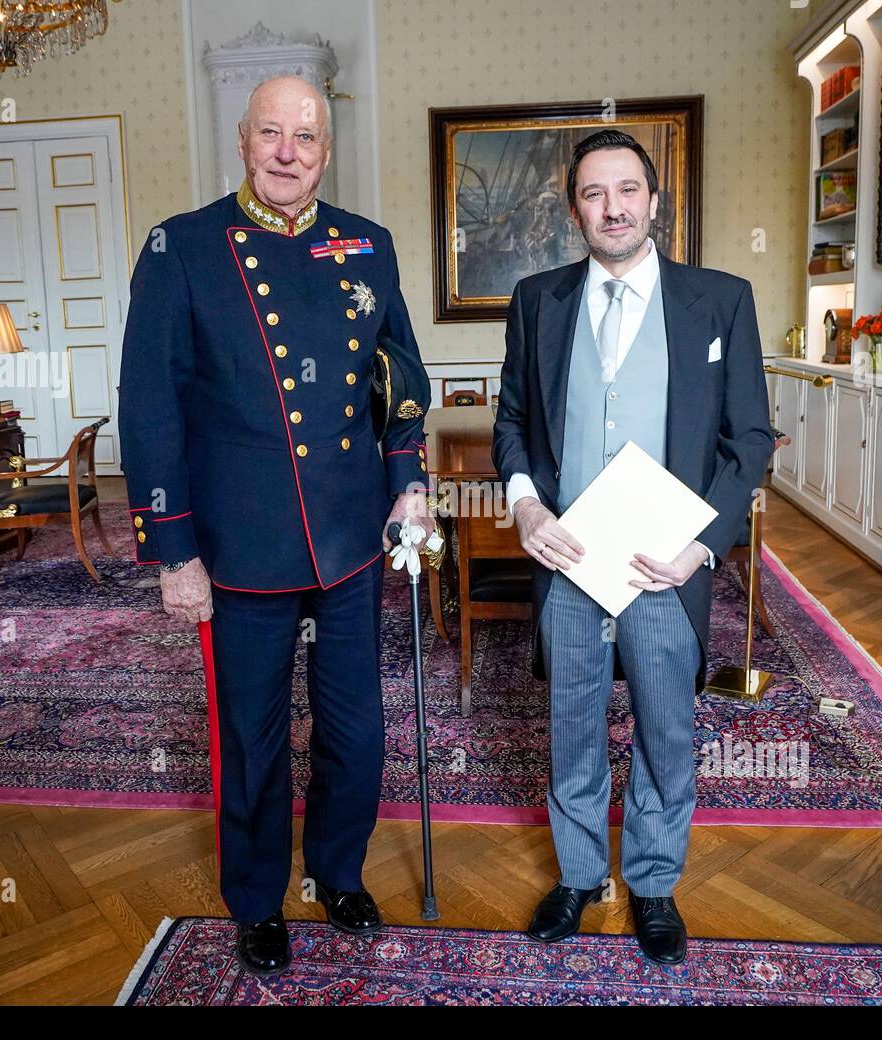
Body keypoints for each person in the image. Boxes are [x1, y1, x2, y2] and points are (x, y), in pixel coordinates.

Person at [118, 75, 433, 977]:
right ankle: (255, 897)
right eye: (271, 133)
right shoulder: (182, 247)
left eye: (305, 136)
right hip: (238, 539)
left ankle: (338, 872)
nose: (288, 151)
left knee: (355, 727)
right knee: (251, 736)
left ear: (326, 150)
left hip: (348, 535)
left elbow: (399, 378)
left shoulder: (368, 246)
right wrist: (173, 548)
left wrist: (408, 483)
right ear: (245, 142)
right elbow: (150, 408)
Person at [492, 129, 774, 964]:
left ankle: (652, 883)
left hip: (665, 561)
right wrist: (525, 507)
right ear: (572, 206)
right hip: (570, 557)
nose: (611, 207)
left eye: (626, 190)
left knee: (665, 727)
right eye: (592, 193)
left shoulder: (721, 299)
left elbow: (749, 439)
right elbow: (511, 422)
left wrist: (701, 546)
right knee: (571, 723)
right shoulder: (536, 298)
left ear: (655, 201)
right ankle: (579, 875)